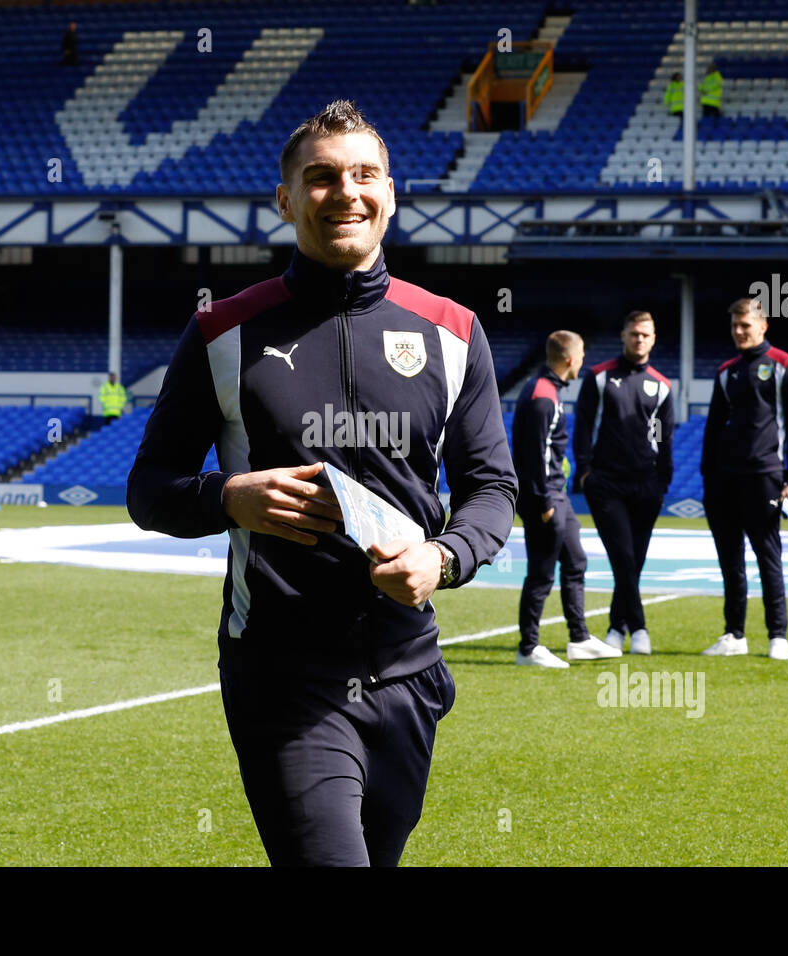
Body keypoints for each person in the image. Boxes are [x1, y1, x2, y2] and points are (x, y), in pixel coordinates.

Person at [127, 100, 516, 866]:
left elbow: (492, 490)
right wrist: (228, 497)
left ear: (392, 192)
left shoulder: (454, 330)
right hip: (282, 676)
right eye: (322, 177)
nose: (347, 193)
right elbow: (150, 488)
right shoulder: (221, 333)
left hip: (410, 673)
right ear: (285, 199)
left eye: (365, 175)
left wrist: (443, 559)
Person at [700, 297, 788, 661]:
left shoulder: (785, 366)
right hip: (724, 480)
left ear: (763, 326)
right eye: (734, 326)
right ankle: (734, 634)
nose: (739, 332)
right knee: (730, 560)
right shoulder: (725, 370)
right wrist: (707, 478)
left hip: (764, 476)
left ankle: (778, 636)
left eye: (745, 325)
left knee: (767, 555)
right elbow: (712, 429)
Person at [573, 311, 674, 656]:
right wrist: (585, 473)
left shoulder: (661, 386)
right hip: (607, 484)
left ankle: (617, 627)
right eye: (634, 334)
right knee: (623, 556)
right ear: (624, 335)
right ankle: (640, 628)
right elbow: (583, 427)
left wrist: (662, 482)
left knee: (634, 560)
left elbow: (663, 436)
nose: (639, 340)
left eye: (645, 334)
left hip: (647, 486)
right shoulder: (600, 377)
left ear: (653, 338)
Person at [512, 331, 614, 666]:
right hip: (546, 498)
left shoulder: (547, 389)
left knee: (575, 561)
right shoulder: (543, 395)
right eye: (582, 354)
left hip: (557, 494)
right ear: (570, 358)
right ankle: (528, 648)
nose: (584, 360)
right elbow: (534, 455)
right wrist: (544, 503)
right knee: (541, 572)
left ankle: (579, 638)